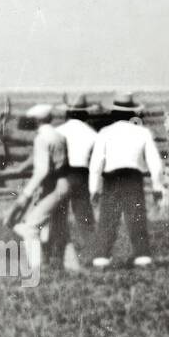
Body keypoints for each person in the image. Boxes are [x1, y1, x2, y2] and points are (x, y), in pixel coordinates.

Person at [88, 94, 164, 269]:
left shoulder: (105, 133)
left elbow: (96, 164)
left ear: (113, 112)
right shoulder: (143, 132)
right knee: (136, 217)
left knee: (107, 217)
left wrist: (94, 189)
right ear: (132, 112)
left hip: (111, 178)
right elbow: (155, 162)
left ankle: (102, 257)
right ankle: (142, 256)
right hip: (133, 178)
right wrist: (157, 186)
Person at [2, 104, 69, 271]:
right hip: (61, 185)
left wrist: (26, 194)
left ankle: (37, 268)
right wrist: (22, 168)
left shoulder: (41, 139)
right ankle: (51, 263)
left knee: (30, 226)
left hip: (52, 188)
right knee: (49, 226)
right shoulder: (59, 136)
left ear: (37, 121)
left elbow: (42, 170)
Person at [49, 95, 98, 269]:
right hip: (82, 175)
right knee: (85, 217)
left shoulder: (59, 131)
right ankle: (94, 255)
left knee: (58, 217)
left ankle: (56, 256)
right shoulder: (92, 134)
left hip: (63, 174)